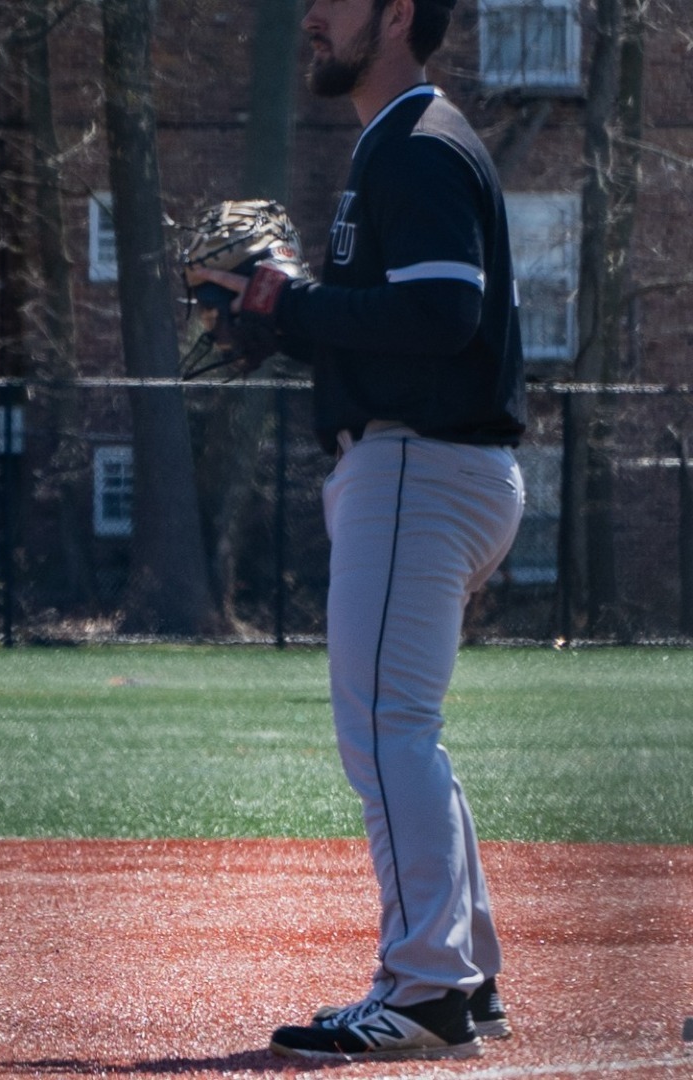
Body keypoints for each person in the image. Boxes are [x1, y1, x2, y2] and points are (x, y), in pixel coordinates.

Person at [189, 0, 526, 1062]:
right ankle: (463, 978)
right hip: (427, 464)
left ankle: (427, 991)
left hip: (420, 465)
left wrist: (289, 307)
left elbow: (442, 315)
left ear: (398, 13)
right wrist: (289, 321)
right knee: (402, 729)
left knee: (386, 733)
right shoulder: (402, 141)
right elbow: (401, 326)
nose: (313, 18)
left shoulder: (418, 144)